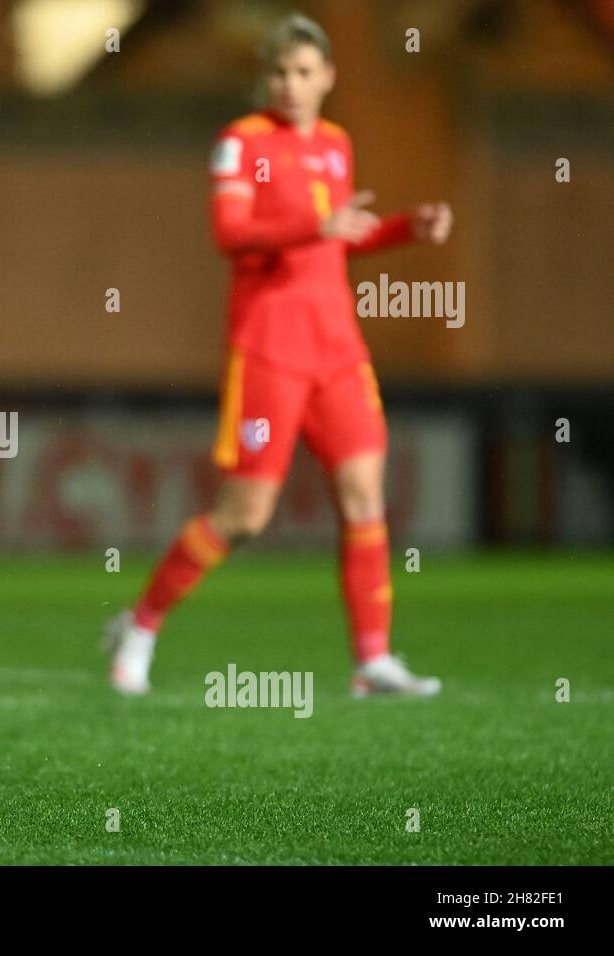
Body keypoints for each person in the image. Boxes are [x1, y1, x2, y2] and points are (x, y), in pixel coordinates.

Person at [105, 14, 452, 697]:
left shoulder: (335, 144)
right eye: (279, 73)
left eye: (303, 72)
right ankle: (140, 625)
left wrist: (407, 227)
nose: (291, 85)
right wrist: (314, 225)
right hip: (269, 352)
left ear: (326, 77)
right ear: (266, 79)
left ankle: (372, 659)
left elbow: (336, 240)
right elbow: (230, 232)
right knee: (245, 516)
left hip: (339, 355)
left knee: (364, 498)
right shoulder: (242, 143)